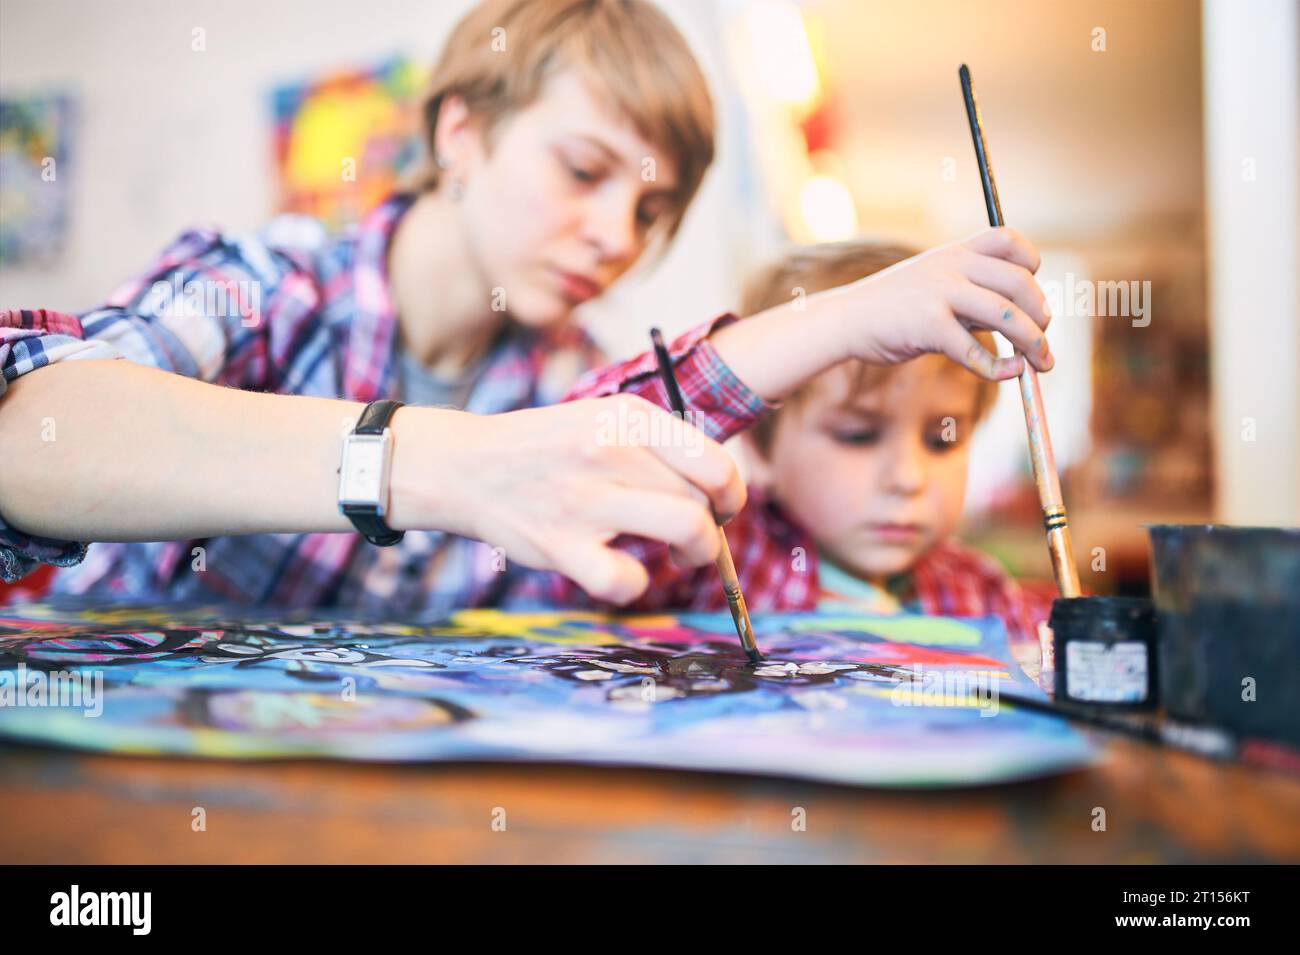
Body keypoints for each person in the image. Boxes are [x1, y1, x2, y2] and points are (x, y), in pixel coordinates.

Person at [0, 1, 1053, 615]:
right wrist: (441, 466)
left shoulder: (567, 378)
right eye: (583, 170)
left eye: (650, 206)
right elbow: (31, 432)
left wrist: (835, 321)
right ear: (459, 134)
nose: (617, 233)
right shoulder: (264, 284)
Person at [533, 239, 1055, 656]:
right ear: (759, 449)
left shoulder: (978, 590)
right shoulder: (719, 555)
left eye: (943, 440)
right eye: (857, 435)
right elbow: (583, 472)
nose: (908, 478)